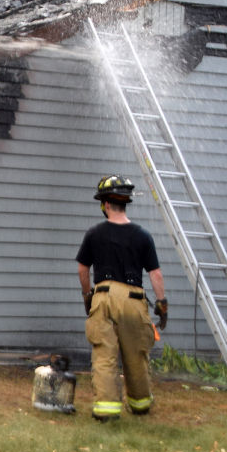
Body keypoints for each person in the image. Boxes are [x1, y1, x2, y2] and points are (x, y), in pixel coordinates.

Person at [76, 175, 168, 422]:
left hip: (103, 297)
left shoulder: (94, 234)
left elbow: (83, 269)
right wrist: (162, 303)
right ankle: (140, 405)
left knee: (104, 355)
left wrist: (88, 295)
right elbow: (155, 274)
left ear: (105, 204)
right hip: (133, 299)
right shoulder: (143, 235)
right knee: (136, 355)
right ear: (124, 203)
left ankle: (106, 410)